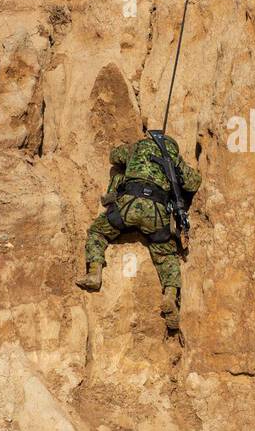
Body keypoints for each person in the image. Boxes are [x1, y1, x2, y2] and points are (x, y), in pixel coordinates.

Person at [76, 132, 202, 332]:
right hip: (157, 212)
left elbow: (114, 156)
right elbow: (194, 182)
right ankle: (169, 295)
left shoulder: (137, 147)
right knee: (165, 255)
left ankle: (94, 274)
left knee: (98, 233)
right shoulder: (174, 159)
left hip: (128, 205)